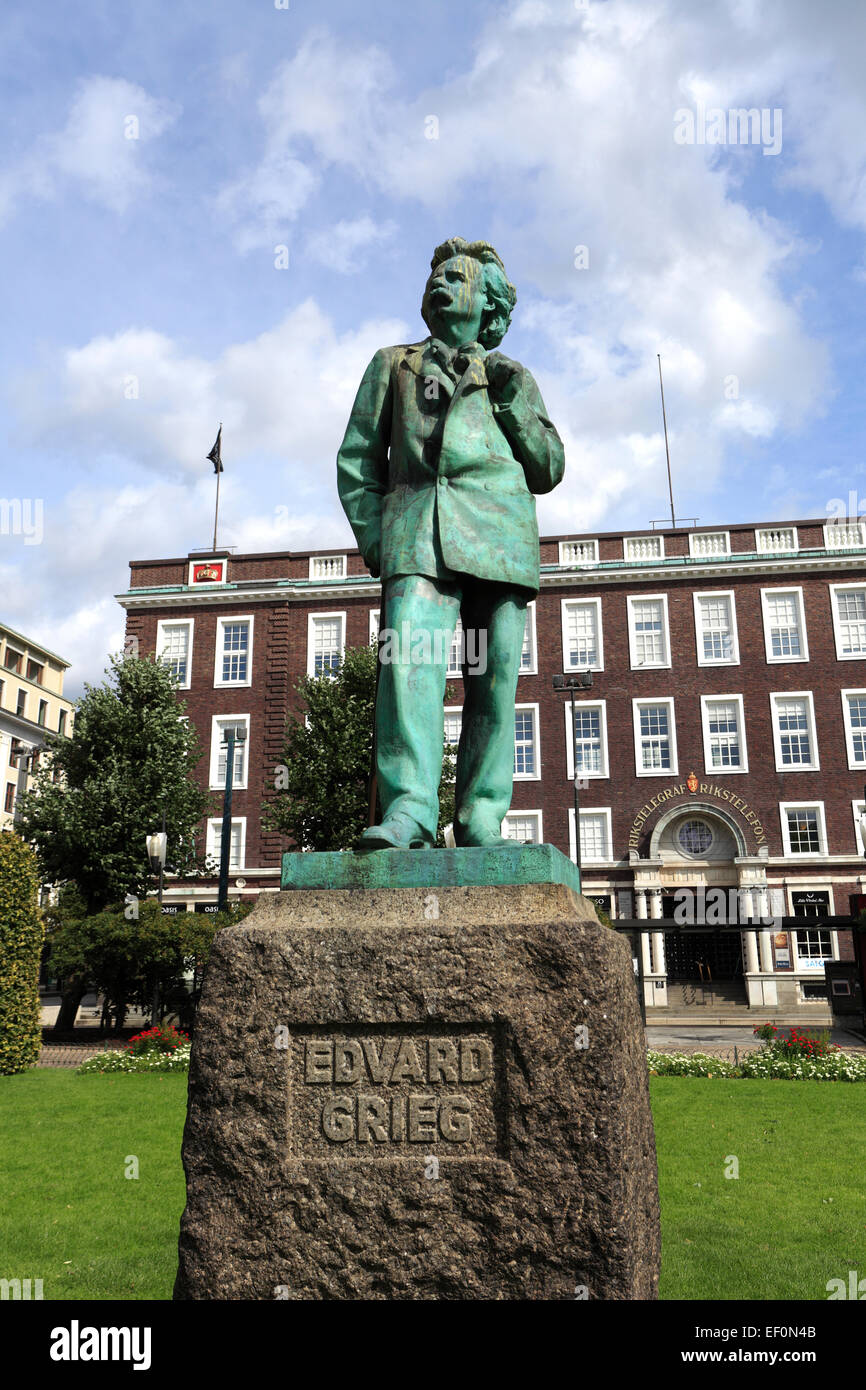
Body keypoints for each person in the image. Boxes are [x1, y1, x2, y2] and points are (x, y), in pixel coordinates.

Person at [337, 236, 565, 850]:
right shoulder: (393, 363)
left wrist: (515, 402)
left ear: (488, 304)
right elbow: (358, 463)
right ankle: (408, 811)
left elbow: (547, 468)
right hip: (417, 535)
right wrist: (381, 542)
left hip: (500, 540)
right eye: (435, 275)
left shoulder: (515, 378)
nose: (439, 283)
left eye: (456, 277)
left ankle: (481, 818)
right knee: (406, 667)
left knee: (494, 683)